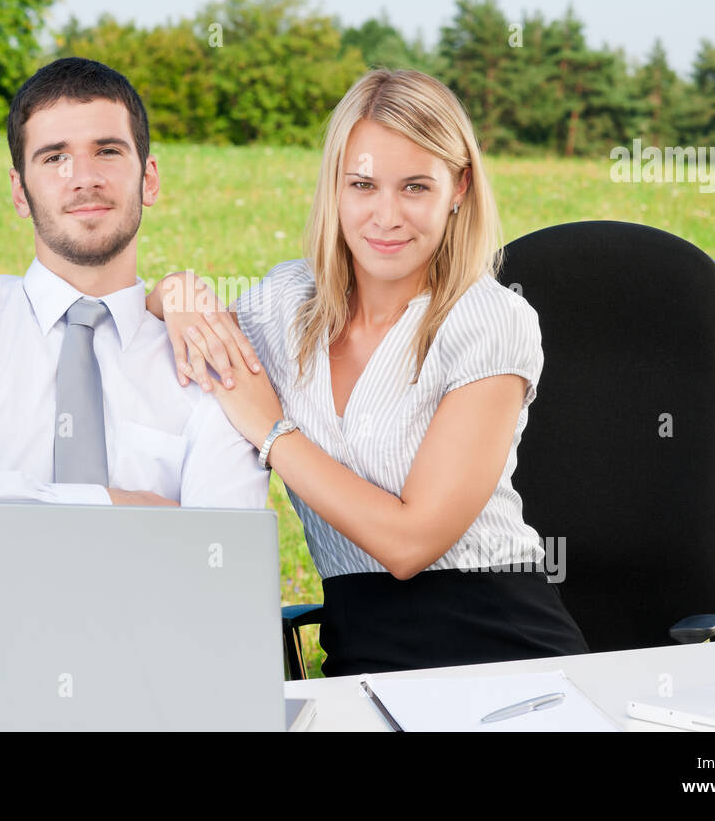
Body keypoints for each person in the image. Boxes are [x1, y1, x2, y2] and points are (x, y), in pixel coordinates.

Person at [0, 57, 270, 716]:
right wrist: (117, 508)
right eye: (54, 157)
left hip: (140, 682)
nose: (84, 178)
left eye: (108, 151)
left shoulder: (204, 360)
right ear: (19, 190)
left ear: (148, 178)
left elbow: (217, 577)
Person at [146, 68, 588, 676]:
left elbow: (411, 544)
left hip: (501, 650)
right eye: (362, 184)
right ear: (335, 186)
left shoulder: (490, 319)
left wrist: (272, 433)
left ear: (457, 188)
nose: (386, 216)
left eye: (414, 187)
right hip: (360, 654)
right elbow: (180, 316)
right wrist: (177, 291)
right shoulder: (286, 302)